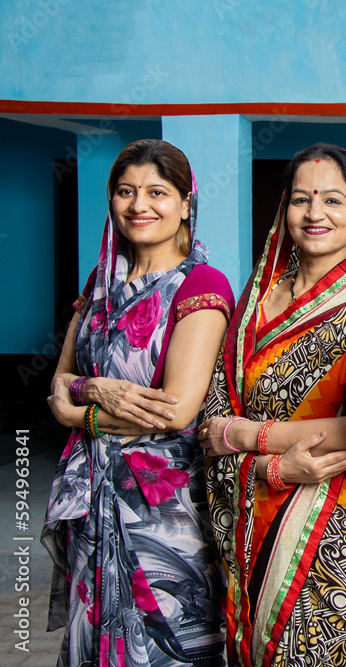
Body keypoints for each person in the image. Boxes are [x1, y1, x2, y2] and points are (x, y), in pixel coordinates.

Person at [199, 143, 346, 667]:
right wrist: (269, 467)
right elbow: (212, 426)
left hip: (344, 538)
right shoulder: (255, 303)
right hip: (254, 523)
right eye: (301, 199)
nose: (315, 213)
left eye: (333, 200)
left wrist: (248, 436)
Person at [44, 139, 233, 666]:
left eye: (157, 192)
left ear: (186, 203)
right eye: (126, 191)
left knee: (166, 641)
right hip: (93, 497)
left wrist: (78, 413)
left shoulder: (200, 284)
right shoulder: (100, 283)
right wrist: (94, 389)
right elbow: (61, 380)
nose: (139, 205)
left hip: (162, 507)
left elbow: (175, 411)